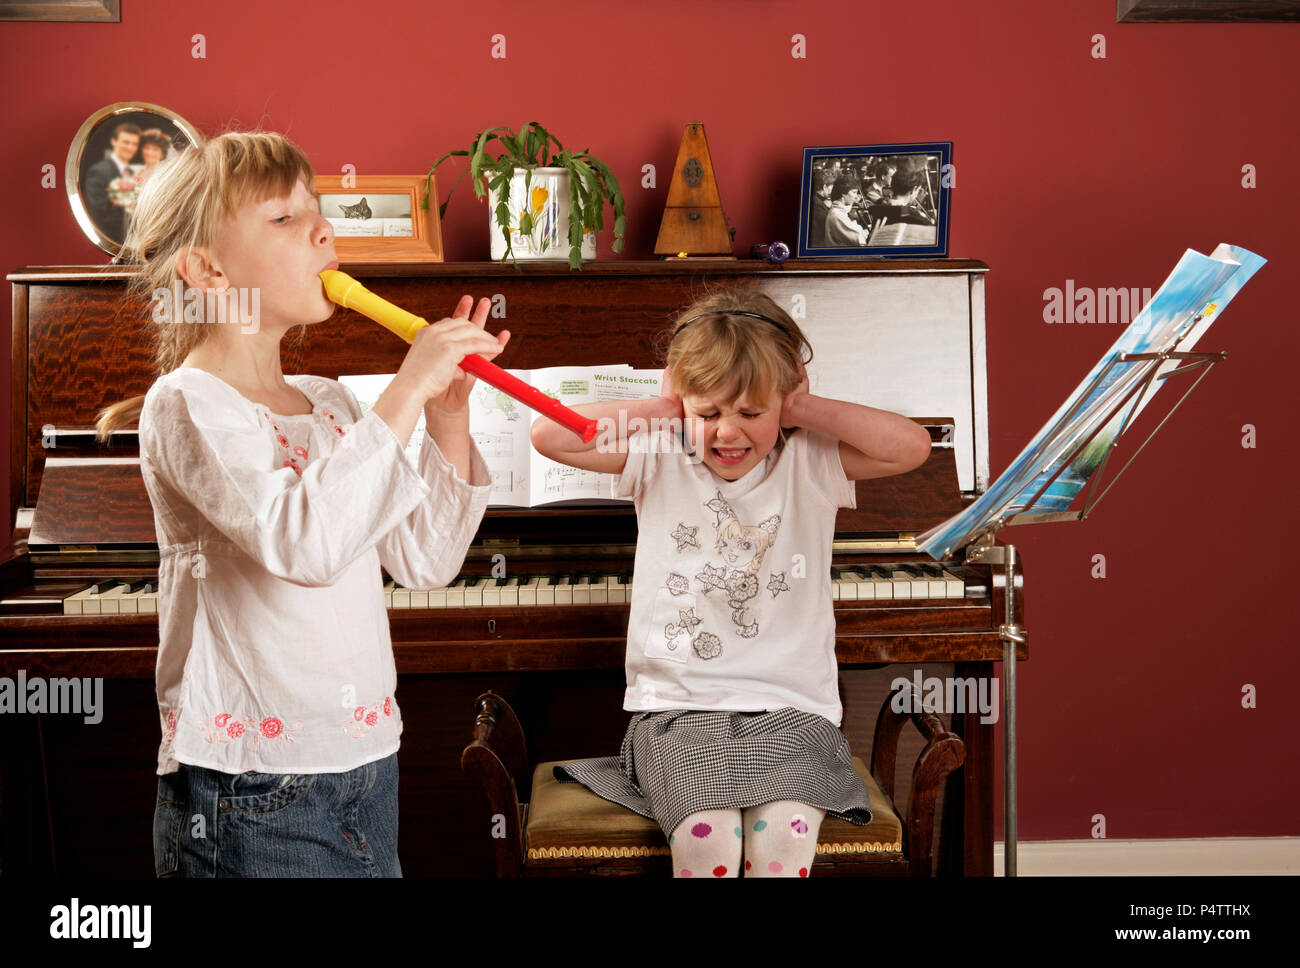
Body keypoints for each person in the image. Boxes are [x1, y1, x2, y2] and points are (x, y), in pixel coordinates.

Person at [94, 131, 509, 877]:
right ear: (208, 269)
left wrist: (446, 411)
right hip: (250, 780)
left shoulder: (331, 402)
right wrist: (407, 388)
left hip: (365, 762)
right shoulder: (189, 403)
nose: (323, 230)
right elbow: (302, 543)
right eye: (283, 219)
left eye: (318, 213)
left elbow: (426, 559)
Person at [529, 289, 931, 877]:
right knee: (707, 840)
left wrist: (799, 407)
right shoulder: (660, 452)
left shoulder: (813, 461)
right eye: (709, 412)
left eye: (750, 412)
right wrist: (670, 409)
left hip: (793, 712)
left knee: (784, 846)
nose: (727, 433)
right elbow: (551, 435)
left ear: (785, 403)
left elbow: (913, 446)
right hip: (678, 713)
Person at [84, 122, 141, 242]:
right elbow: (99, 214)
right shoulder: (99, 171)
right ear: (114, 142)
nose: (130, 147)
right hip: (116, 238)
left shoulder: (133, 171)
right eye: (126, 142)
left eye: (134, 144)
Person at [824, 176, 873, 246]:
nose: (857, 197)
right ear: (843, 193)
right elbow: (860, 241)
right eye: (854, 192)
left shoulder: (840, 211)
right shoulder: (837, 215)